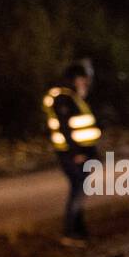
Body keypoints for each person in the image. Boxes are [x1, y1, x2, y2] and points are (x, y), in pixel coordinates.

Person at [42, 62, 102, 244]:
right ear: (75, 79)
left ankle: (79, 229)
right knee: (77, 190)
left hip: (80, 153)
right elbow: (65, 129)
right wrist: (76, 152)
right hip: (72, 154)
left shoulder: (73, 97)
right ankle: (70, 232)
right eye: (82, 79)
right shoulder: (62, 98)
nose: (85, 83)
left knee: (80, 190)